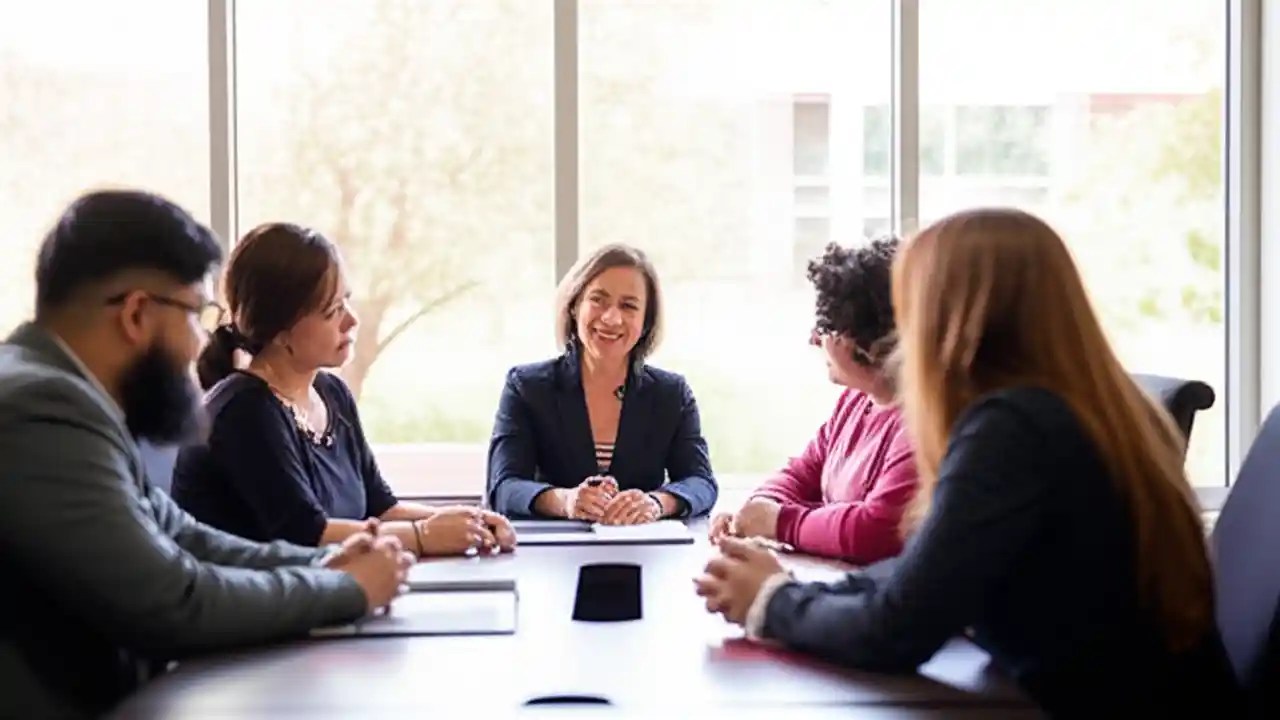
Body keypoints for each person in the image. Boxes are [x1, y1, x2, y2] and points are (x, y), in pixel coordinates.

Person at [694, 208, 1241, 715]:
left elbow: (898, 631)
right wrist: (797, 589)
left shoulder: (1012, 429)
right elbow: (926, 574)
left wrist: (772, 602)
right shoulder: (1092, 408)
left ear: (953, 316)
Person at [0, 190, 412, 719]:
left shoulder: (73, 395)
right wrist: (344, 589)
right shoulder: (42, 408)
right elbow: (173, 600)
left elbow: (184, 539)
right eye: (197, 314)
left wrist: (329, 562)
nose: (202, 342)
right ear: (137, 314)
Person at [172, 223, 515, 557]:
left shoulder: (331, 391)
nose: (352, 320)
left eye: (346, 302)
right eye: (333, 311)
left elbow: (381, 508)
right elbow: (308, 534)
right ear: (280, 330)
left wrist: (469, 521)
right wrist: (423, 536)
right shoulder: (244, 411)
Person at [708, 237, 917, 563]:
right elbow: (802, 472)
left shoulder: (921, 421)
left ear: (865, 338)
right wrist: (758, 509)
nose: (814, 338)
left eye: (826, 327)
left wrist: (778, 522)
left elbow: (877, 531)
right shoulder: (855, 401)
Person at [487, 243, 717, 522]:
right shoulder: (527, 387)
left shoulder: (671, 394)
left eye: (628, 306)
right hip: (550, 552)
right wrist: (565, 500)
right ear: (574, 306)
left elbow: (701, 482)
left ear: (645, 322)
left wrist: (656, 503)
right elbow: (503, 488)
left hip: (642, 548)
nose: (611, 318)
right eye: (598, 299)